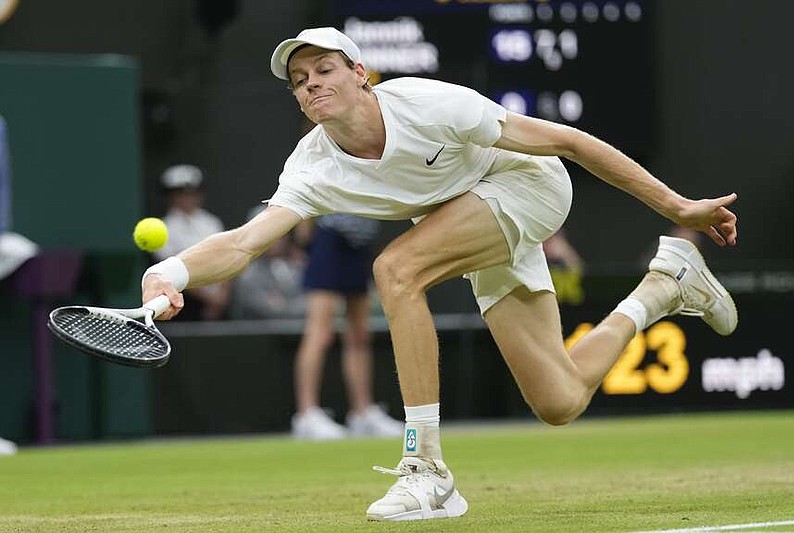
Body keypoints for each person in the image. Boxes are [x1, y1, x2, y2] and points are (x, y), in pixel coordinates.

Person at [141, 27, 739, 522]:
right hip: (469, 218)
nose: (311, 84)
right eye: (300, 81)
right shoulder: (313, 166)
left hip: (528, 185)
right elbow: (245, 243)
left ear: (360, 73)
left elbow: (569, 143)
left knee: (396, 267)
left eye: (324, 69)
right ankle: (666, 284)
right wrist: (171, 271)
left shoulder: (429, 104)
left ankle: (427, 467)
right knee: (558, 400)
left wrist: (678, 208)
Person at [291, 214, 403, 440]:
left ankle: (362, 413)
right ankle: (306, 415)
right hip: (328, 238)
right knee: (320, 333)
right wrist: (305, 237)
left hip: (361, 241)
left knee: (360, 335)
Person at [153, 164, 232, 321]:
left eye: (193, 193)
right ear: (171, 196)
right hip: (184, 304)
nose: (188, 198)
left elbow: (227, 256)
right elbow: (170, 272)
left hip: (219, 302)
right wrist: (210, 299)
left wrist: (221, 297)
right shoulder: (163, 228)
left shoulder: (211, 222)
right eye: (181, 193)